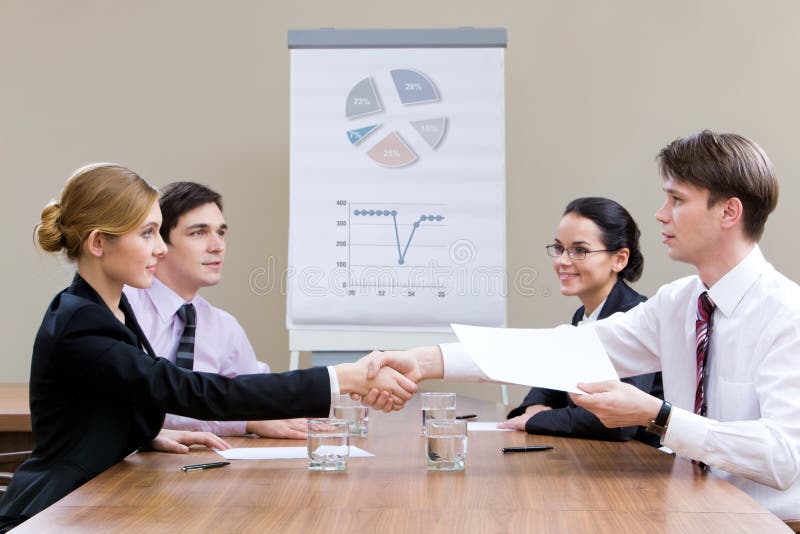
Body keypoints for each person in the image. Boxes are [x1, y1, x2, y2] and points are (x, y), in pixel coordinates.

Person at [365, 131, 800, 521]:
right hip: (689, 512)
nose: (661, 214)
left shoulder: (787, 314)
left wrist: (660, 416)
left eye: (677, 200)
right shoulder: (680, 303)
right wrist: (425, 360)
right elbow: (564, 352)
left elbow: (783, 458)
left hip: (764, 523)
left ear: (729, 212)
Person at [0, 163, 415, 532]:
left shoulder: (110, 308)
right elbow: (191, 392)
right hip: (58, 510)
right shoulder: (81, 323)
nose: (160, 248)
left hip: (94, 500)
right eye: (148, 234)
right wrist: (337, 378)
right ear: (97, 243)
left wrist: (142, 433)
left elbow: (114, 398)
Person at [125, 182, 306, 440]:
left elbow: (259, 392)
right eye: (199, 233)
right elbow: (136, 410)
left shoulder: (223, 326)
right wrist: (244, 421)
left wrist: (331, 398)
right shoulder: (124, 309)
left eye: (220, 232)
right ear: (159, 243)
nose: (217, 246)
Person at [498, 197, 663, 447]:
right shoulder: (582, 316)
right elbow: (555, 377)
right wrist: (534, 406)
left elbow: (621, 420)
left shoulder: (636, 316)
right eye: (559, 248)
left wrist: (537, 420)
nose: (563, 261)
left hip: (646, 463)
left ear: (619, 259)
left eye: (579, 250)